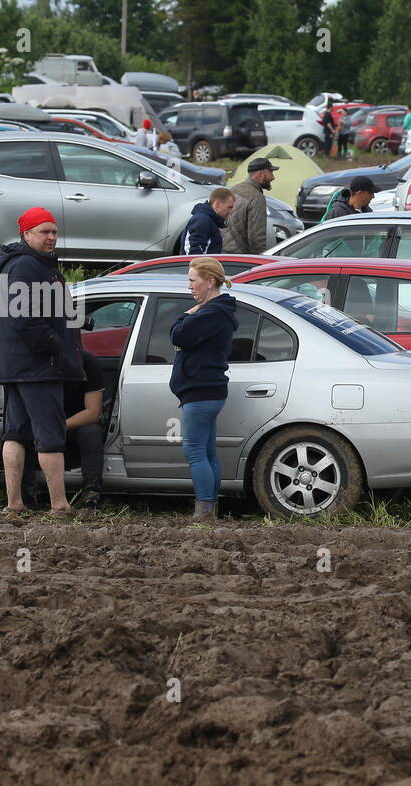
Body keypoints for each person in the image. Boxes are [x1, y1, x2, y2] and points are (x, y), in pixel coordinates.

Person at [0, 207, 84, 517]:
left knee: (15, 433)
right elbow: (26, 320)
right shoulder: (28, 266)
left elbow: (45, 311)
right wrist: (56, 348)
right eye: (44, 232)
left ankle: (14, 505)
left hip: (19, 366)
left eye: (54, 231)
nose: (52, 237)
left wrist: (79, 320)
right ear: (26, 234)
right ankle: (60, 505)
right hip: (37, 367)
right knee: (51, 435)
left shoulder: (30, 264)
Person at [170, 257, 238, 521]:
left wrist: (184, 315)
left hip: (200, 392)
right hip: (207, 391)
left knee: (195, 452)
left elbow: (178, 336)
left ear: (210, 281)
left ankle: (204, 511)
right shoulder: (217, 311)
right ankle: (209, 508)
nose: (189, 287)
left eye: (192, 280)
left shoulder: (211, 313)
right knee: (207, 451)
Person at [24, 347, 105, 509]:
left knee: (92, 431)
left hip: (72, 430)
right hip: (42, 428)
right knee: (21, 433)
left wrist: (58, 427)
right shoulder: (33, 365)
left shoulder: (88, 364)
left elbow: (93, 413)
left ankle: (91, 494)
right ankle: (28, 494)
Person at [222, 157, 276, 254]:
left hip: (224, 254)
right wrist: (260, 260)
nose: (273, 177)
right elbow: (257, 238)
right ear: (260, 175)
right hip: (241, 259)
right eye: (271, 172)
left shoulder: (233, 189)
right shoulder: (257, 198)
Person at [182, 187, 235, 255]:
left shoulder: (209, 220)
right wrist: (203, 265)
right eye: (229, 207)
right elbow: (193, 252)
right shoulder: (202, 221)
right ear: (217, 204)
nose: (231, 211)